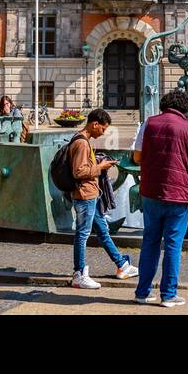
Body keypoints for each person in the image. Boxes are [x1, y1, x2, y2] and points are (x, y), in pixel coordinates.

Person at [132, 89, 188, 308]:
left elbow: (137, 157)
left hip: (152, 192)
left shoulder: (148, 124)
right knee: (173, 244)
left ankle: (142, 292)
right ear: (185, 110)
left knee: (150, 242)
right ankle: (168, 295)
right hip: (178, 194)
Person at [67, 109, 136, 289]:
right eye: (103, 129)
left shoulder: (82, 141)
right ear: (94, 123)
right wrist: (101, 166)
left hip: (91, 194)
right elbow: (79, 171)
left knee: (103, 232)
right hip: (85, 194)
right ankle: (79, 274)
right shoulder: (82, 143)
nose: (103, 132)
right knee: (82, 235)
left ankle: (122, 265)